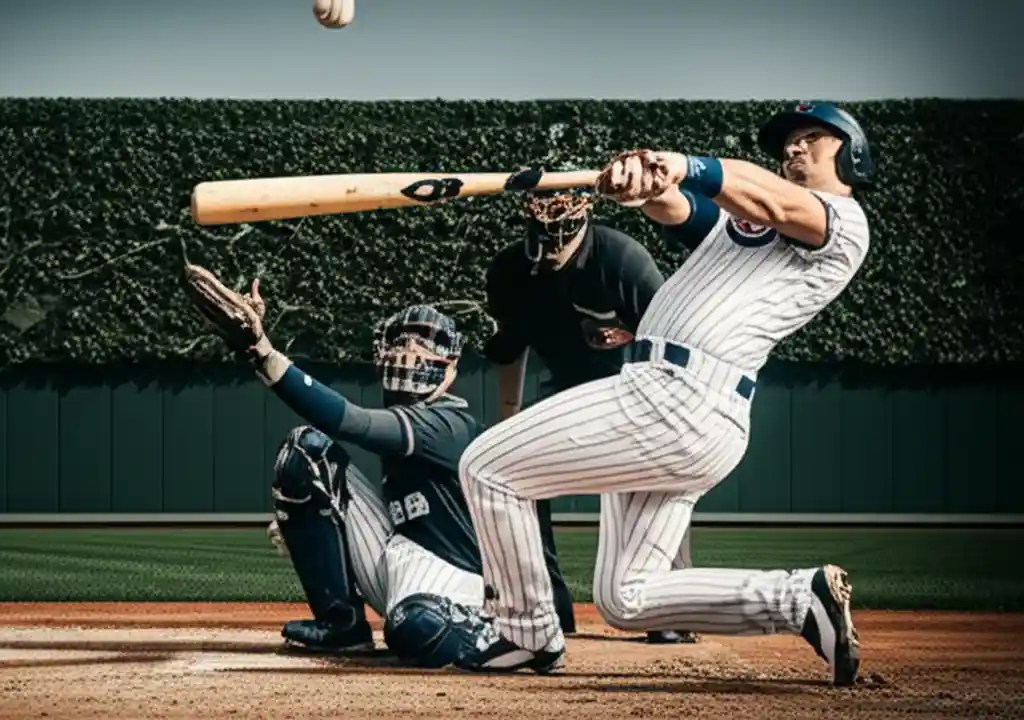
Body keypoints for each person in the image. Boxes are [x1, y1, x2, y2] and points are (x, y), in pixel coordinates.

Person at [453, 101, 874, 686]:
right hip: (680, 404)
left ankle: (525, 634)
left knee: (487, 465)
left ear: (851, 154)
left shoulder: (842, 223)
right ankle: (800, 601)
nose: (794, 148)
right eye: (789, 142)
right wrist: (646, 186)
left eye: (812, 138)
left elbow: (769, 198)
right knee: (626, 598)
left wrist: (680, 162)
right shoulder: (747, 229)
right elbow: (685, 210)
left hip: (679, 396)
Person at [180, 264, 568, 668]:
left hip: (458, 582)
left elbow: (350, 420)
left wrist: (261, 350)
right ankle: (341, 627)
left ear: (451, 369)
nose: (410, 354)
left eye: (424, 347)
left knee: (413, 627)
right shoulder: (410, 416)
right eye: (401, 344)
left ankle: (505, 638)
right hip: (401, 558)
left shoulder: (446, 423)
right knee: (304, 451)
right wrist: (319, 525)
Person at [481, 183, 695, 645]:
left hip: (635, 392)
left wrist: (666, 417)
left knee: (654, 487)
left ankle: (668, 612)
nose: (552, 243)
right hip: (566, 391)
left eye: (564, 230)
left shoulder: (621, 258)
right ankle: (548, 611)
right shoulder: (509, 271)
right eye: (543, 230)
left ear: (586, 220)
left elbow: (668, 341)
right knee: (514, 471)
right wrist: (509, 417)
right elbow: (508, 351)